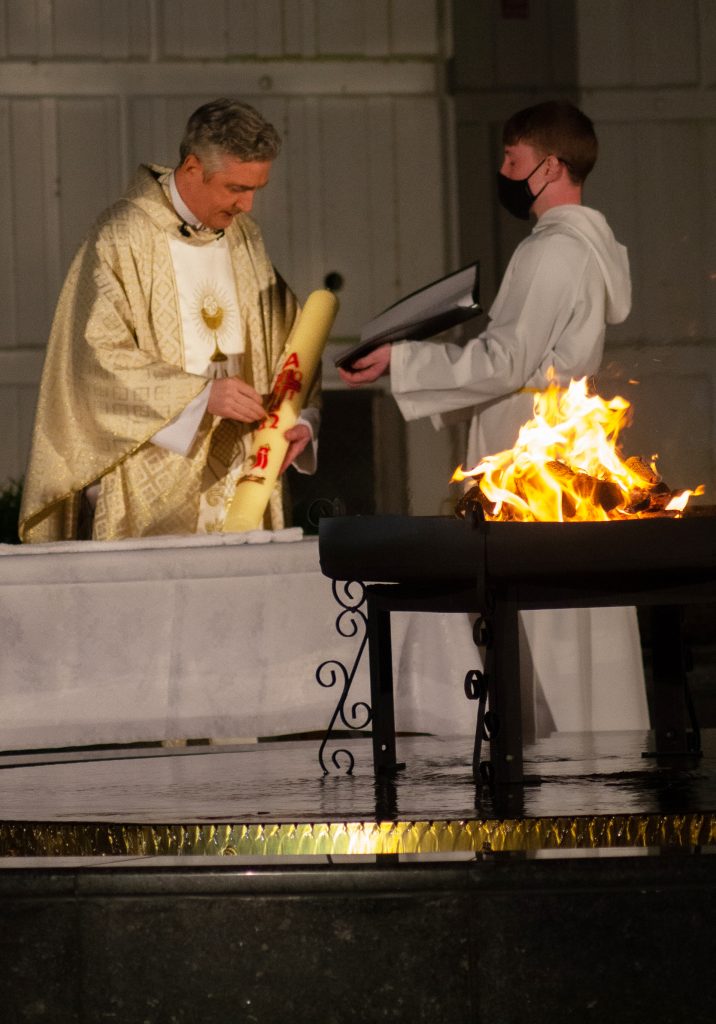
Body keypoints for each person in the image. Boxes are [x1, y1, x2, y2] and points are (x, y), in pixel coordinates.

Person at [340, 99, 648, 736]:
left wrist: (404, 358)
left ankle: (549, 772)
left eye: (513, 159)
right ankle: (582, 768)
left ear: (552, 165)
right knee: (566, 627)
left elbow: (507, 361)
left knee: (536, 629)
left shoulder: (553, 252)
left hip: (530, 446)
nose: (502, 170)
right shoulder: (580, 245)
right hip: (561, 440)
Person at [20, 98, 318, 543]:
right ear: (193, 168)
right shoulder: (122, 235)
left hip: (242, 470)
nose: (248, 206)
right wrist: (198, 397)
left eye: (257, 188)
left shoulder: (244, 236)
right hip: (151, 479)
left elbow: (291, 336)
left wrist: (302, 417)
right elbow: (93, 358)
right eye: (236, 188)